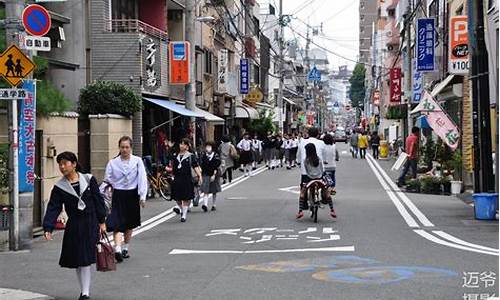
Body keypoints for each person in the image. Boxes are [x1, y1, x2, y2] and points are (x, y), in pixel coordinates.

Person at [43, 152, 107, 300]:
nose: (62, 166)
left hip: (90, 222)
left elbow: (98, 201)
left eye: (65, 163)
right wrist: (48, 227)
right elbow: (54, 207)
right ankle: (83, 290)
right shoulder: (60, 187)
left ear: (74, 164)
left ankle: (85, 293)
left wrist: (102, 221)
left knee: (84, 257)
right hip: (74, 224)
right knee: (79, 259)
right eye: (60, 164)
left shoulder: (88, 179)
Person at [104, 136, 148, 262]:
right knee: (117, 223)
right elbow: (107, 179)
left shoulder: (137, 161)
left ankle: (125, 248)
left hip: (132, 195)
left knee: (130, 224)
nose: (124, 150)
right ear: (119, 148)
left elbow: (142, 179)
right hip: (118, 195)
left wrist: (142, 196)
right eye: (122, 147)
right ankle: (117, 248)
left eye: (127, 147)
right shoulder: (113, 162)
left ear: (131, 148)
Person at [166, 138, 202, 222]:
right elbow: (172, 167)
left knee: (186, 197)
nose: (181, 145)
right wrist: (169, 170)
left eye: (183, 144)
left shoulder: (190, 156)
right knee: (177, 198)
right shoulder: (175, 155)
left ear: (187, 146)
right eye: (180, 144)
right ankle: (182, 210)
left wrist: (199, 176)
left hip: (187, 179)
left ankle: (184, 215)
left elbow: (195, 166)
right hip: (177, 179)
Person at [297, 143, 336, 219]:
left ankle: (300, 211)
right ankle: (332, 210)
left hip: (310, 179)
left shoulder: (306, 160)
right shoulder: (318, 159)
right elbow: (322, 169)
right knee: (327, 193)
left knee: (302, 192)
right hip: (320, 179)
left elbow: (307, 171)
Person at [199, 141, 222, 212]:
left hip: (214, 174)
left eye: (209, 146)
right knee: (206, 189)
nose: (208, 148)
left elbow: (217, 165)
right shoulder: (203, 155)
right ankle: (205, 205)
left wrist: (214, 174)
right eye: (207, 146)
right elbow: (201, 164)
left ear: (212, 147)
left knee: (214, 189)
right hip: (205, 174)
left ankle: (213, 204)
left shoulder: (216, 155)